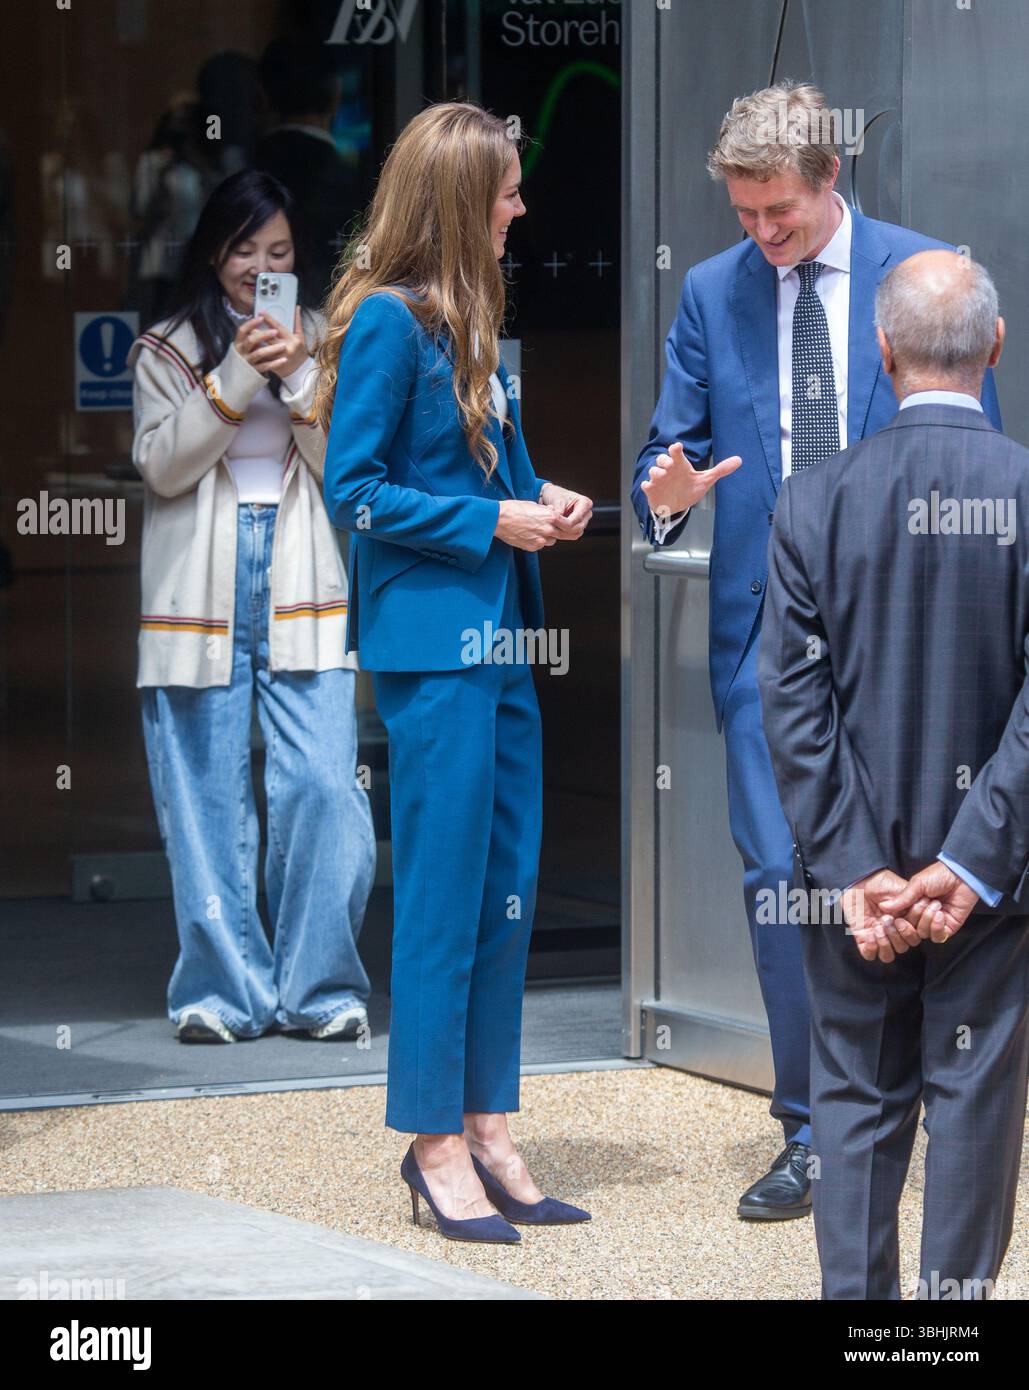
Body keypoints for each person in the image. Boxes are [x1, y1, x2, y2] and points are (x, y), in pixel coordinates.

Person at [631, 81, 1001, 1220]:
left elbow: (980, 449)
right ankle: (814, 1130)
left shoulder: (924, 276)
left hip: (912, 626)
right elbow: (663, 461)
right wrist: (669, 494)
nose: (762, 235)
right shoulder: (710, 291)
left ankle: (949, 1114)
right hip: (765, 639)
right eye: (744, 215)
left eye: (778, 212)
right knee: (785, 879)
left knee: (939, 858)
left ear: (829, 178)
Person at [317, 102, 593, 1243]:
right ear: (457, 201)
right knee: (440, 895)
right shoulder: (387, 323)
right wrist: (494, 523)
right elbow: (357, 490)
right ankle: (432, 1140)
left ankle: (488, 1122)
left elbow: (496, 473)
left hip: (504, 645)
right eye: (508, 193)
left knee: (503, 893)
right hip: (435, 648)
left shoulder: (470, 321)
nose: (521, 209)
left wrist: (553, 499)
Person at [758, 250, 1028, 1300]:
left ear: (882, 350)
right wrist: (969, 861)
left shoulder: (813, 500)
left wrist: (857, 866)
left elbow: (794, 705)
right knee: (972, 1098)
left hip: (856, 887)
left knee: (858, 1098)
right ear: (994, 347)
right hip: (992, 886)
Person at [128, 169, 376, 1045]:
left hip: (304, 573)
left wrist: (303, 378)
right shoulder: (164, 347)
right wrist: (235, 375)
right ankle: (222, 993)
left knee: (320, 783)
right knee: (204, 795)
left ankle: (319, 988)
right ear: (213, 251)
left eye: (277, 252)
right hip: (197, 584)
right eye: (243, 250)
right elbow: (162, 466)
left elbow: (347, 467)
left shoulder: (324, 337)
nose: (259, 267)